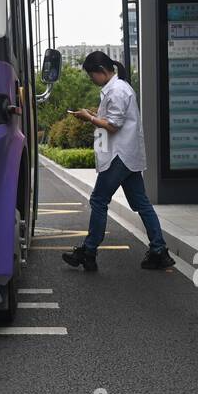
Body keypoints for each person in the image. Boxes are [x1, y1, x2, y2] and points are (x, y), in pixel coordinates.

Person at [61, 51, 175, 272]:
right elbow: (114, 120)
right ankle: (159, 250)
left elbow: (113, 126)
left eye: (91, 75)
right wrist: (93, 115)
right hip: (126, 155)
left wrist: (89, 117)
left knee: (98, 200)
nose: (90, 80)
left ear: (102, 72)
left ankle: (89, 251)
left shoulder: (117, 91)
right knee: (142, 204)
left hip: (119, 156)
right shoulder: (117, 89)